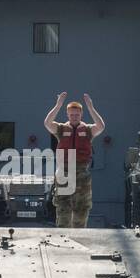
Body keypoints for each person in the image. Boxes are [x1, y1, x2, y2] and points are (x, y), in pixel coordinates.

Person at [45, 92, 105, 229]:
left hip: (82, 173)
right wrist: (58, 105)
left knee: (82, 208)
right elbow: (47, 123)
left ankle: (80, 238)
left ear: (81, 115)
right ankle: (62, 238)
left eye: (77, 115)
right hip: (65, 172)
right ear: (67, 115)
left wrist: (90, 107)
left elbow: (101, 126)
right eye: (71, 115)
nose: (74, 117)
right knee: (63, 208)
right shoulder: (60, 129)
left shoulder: (89, 130)